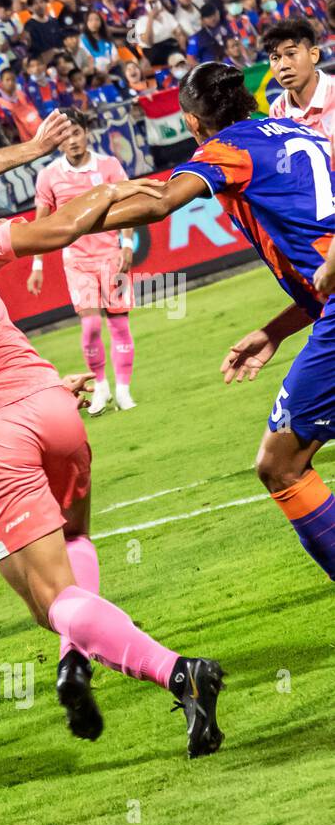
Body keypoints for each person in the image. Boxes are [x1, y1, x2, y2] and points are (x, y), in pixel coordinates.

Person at [0, 158, 225, 763]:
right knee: (74, 537)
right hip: (51, 405)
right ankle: (73, 663)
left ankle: (181, 674)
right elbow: (59, 228)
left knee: (48, 602)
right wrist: (107, 189)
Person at [100, 62, 335, 587]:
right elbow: (320, 259)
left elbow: (161, 203)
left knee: (280, 465)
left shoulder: (225, 150)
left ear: (191, 121)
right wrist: (274, 331)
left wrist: (70, 222)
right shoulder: (296, 131)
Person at [28, 109, 137, 414]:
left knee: (119, 324)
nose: (72, 141)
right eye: (65, 136)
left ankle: (124, 391)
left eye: (76, 133)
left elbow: (128, 206)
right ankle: (100, 386)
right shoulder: (49, 175)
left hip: (111, 256)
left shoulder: (109, 165)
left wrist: (127, 244)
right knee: (90, 325)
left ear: (87, 133)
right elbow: (40, 224)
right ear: (58, 141)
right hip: (77, 261)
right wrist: (37, 266)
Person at [264, 18, 335, 140]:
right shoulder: (277, 111)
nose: (283, 65)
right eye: (275, 58)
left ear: (313, 55)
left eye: (291, 54)